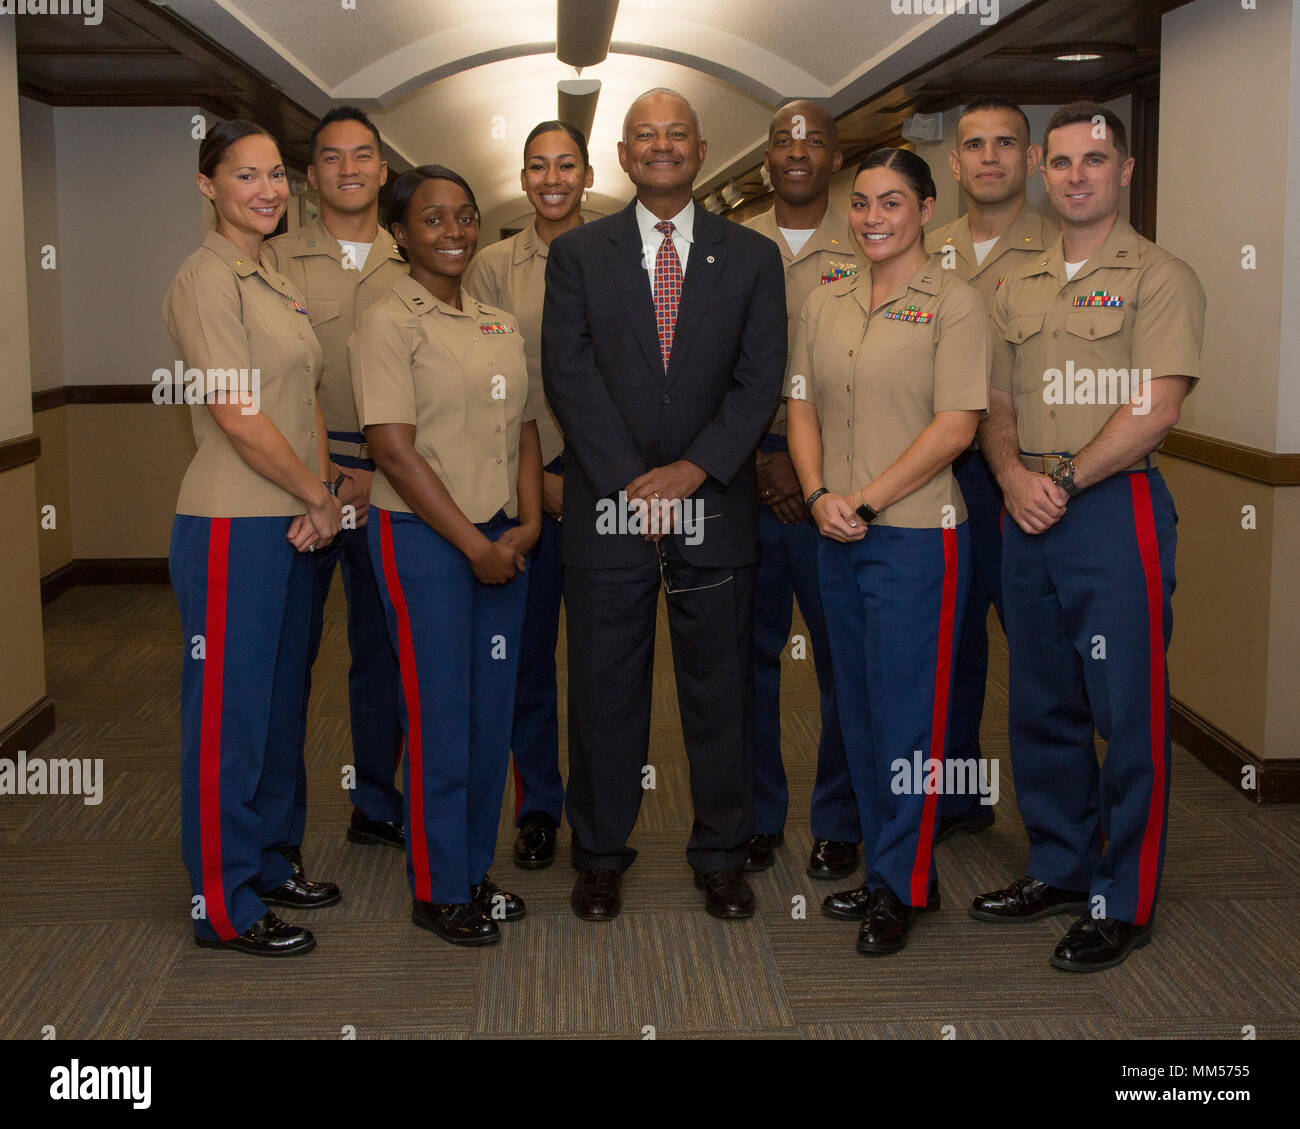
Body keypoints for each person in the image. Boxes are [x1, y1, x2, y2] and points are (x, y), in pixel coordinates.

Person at [969, 103, 1205, 972]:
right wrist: (1010, 477)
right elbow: (995, 403)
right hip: (1024, 501)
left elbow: (1159, 405)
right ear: (1040, 166)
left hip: (1112, 509)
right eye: (1061, 160)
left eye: (1095, 160)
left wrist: (1063, 481)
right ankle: (1060, 865)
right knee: (1040, 701)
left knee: (1127, 711)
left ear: (1126, 170)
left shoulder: (1160, 276)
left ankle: (1123, 896)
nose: (1076, 175)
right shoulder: (1012, 281)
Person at [542, 88, 786, 921]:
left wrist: (693, 471)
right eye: (644, 134)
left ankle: (721, 853)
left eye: (675, 133)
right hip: (607, 507)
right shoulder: (577, 255)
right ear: (622, 153)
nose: (661, 145)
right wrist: (629, 481)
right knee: (604, 691)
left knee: (721, 693)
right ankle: (600, 854)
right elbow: (567, 377)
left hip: (714, 505)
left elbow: (759, 385)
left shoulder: (751, 258)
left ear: (702, 147)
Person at [787, 148, 989, 955]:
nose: (873, 217)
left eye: (892, 202)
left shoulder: (957, 303)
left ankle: (901, 884)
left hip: (913, 536)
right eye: (863, 203)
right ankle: (890, 871)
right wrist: (814, 495)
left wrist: (863, 500)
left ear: (927, 210)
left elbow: (957, 425)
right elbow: (799, 405)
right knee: (857, 711)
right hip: (832, 530)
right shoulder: (824, 301)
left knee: (912, 717)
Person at [164, 119, 343, 957]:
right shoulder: (206, 280)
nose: (268, 190)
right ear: (209, 186)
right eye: (246, 176)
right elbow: (239, 416)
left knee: (277, 709)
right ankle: (224, 903)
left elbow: (300, 392)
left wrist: (320, 497)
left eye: (277, 175)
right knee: (229, 719)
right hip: (234, 522)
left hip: (295, 520)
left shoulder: (270, 274)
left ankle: (270, 860)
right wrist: (317, 493)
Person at [350, 165, 541, 946]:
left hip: (502, 539)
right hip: (425, 543)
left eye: (464, 217)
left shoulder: (497, 321)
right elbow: (392, 451)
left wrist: (527, 525)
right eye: (433, 220)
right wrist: (473, 545)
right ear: (400, 232)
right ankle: (436, 887)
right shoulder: (387, 318)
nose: (454, 231)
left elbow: (524, 426)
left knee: (489, 717)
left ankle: (469, 866)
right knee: (440, 716)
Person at [263, 106, 409, 853]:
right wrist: (326, 476)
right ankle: (276, 835)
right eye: (331, 158)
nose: (348, 170)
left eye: (363, 156)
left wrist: (377, 470)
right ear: (310, 176)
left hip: (396, 479)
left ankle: (378, 802)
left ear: (384, 170)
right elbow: (270, 382)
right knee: (288, 658)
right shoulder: (274, 261)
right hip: (305, 485)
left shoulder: (417, 253)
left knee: (386, 649)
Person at [924, 95, 1058, 843]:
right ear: (955, 162)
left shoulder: (1059, 246)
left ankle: (1057, 831)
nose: (989, 157)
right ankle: (958, 798)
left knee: (1037, 655)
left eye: (1006, 143)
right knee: (951, 645)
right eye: (975, 145)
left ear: (1029, 159)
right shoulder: (924, 247)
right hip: (940, 478)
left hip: (1022, 479)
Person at [462, 120, 593, 871]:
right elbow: (485, 387)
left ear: (585, 171)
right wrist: (536, 485)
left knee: (606, 663)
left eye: (565, 164)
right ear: (522, 176)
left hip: (606, 489)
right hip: (526, 486)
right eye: (538, 165)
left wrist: (597, 478)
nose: (551, 177)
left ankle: (603, 808)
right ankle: (539, 805)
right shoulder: (490, 268)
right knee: (528, 661)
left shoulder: (622, 253)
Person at [741, 100, 861, 879]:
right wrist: (759, 456)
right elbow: (698, 368)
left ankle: (840, 819)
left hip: (837, 489)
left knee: (841, 661)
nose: (797, 152)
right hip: (741, 483)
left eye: (814, 140)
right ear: (764, 161)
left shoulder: (872, 241)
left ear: (836, 157)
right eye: (784, 140)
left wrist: (804, 470)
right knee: (743, 658)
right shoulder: (726, 246)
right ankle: (753, 815)